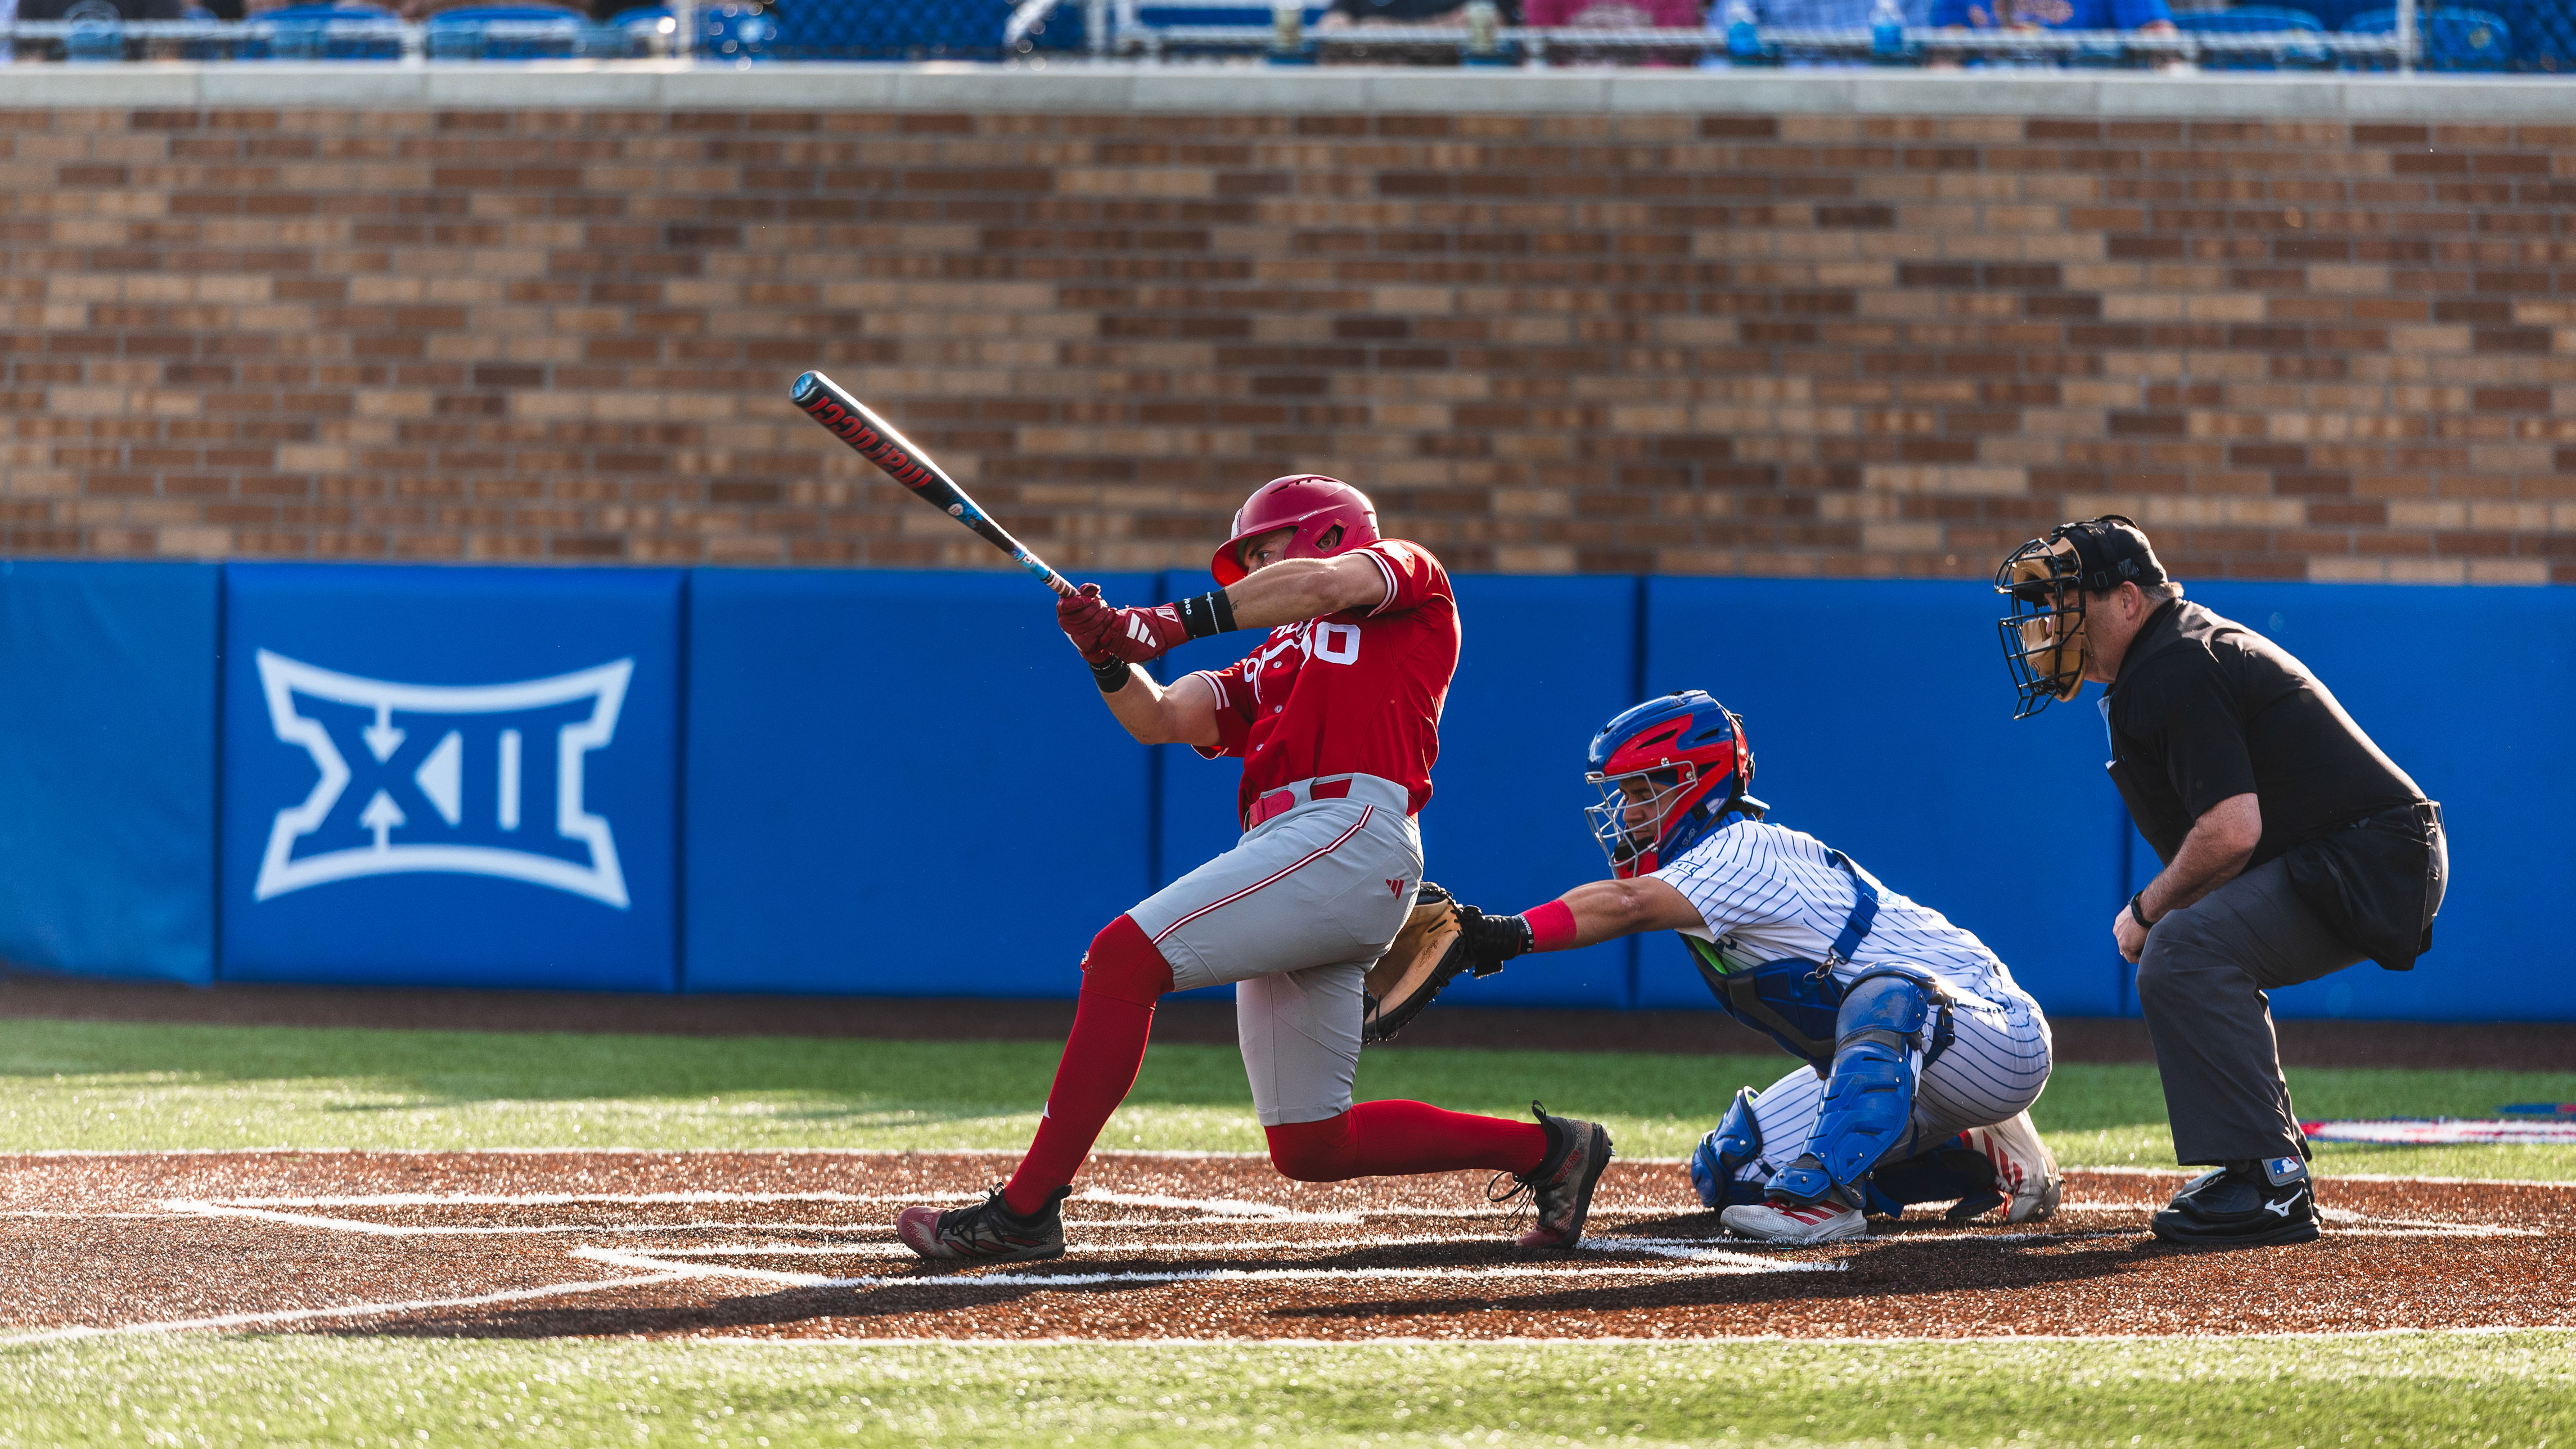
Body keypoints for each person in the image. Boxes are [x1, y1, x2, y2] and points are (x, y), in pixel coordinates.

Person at [894, 475, 1615, 1263]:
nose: (1255, 567)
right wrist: (1104, 652)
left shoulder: (1406, 574)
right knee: (1311, 1144)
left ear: (1330, 533)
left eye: (1264, 549)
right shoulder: (1277, 653)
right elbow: (1160, 715)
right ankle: (1554, 1153)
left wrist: (1161, 622)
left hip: (1348, 828)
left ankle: (1025, 1212)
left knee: (1122, 958)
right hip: (1294, 850)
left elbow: (1315, 585)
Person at [1447, 690, 2060, 1246]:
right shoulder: (1707, 857)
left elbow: (1626, 906)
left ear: (1696, 783)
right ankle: (1979, 1149)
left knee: (1886, 996)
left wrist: (1506, 934)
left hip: (1993, 1038)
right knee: (1730, 1169)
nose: (1627, 814)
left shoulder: (1736, 849)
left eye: (1640, 793)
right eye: (1624, 795)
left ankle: (1825, 1202)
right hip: (1930, 1055)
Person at [1993, 516, 2446, 1248]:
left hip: (2370, 857)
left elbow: (2233, 830)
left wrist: (2147, 909)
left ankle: (2268, 1180)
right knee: (2196, 947)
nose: (2049, 622)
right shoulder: (2161, 659)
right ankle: (2271, 1158)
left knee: (2182, 949)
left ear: (2129, 601)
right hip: (2364, 850)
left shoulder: (2172, 662)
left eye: (2066, 599)